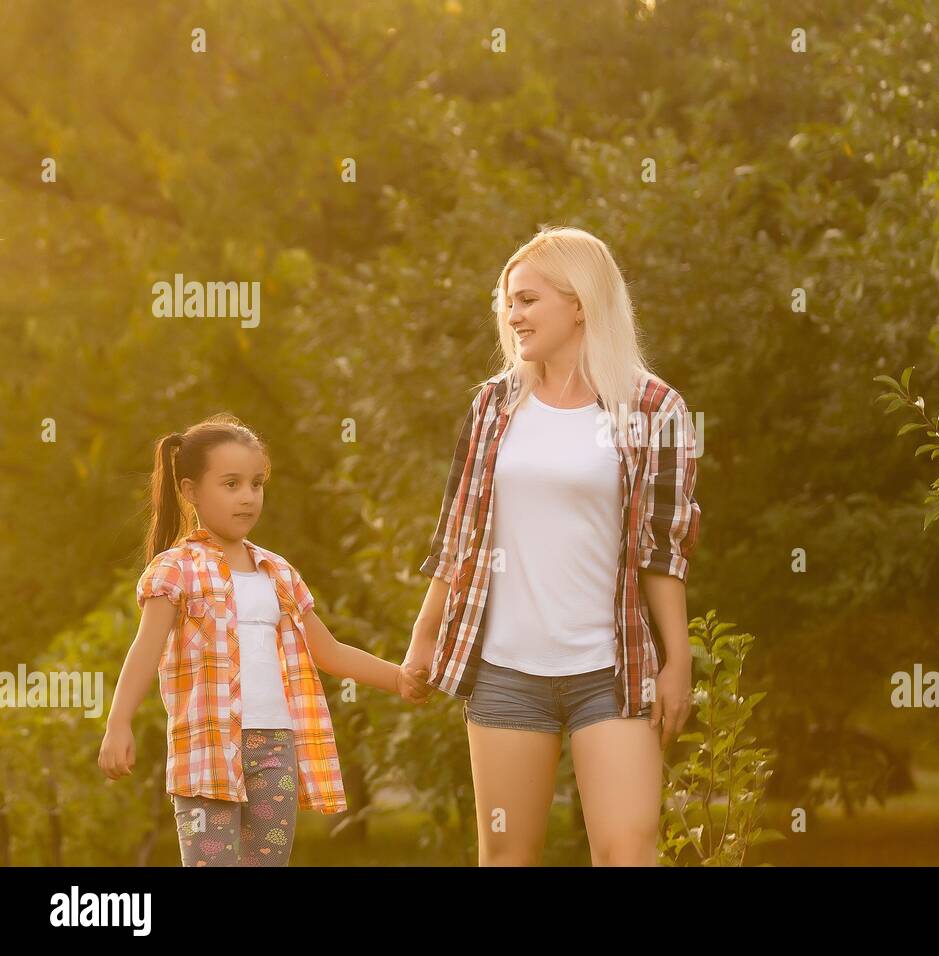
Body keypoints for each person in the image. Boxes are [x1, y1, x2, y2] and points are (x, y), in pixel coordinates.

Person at [404, 226, 702, 866]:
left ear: (580, 304)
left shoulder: (653, 409)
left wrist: (677, 660)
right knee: (507, 857)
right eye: (508, 302)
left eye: (528, 300)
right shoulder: (494, 406)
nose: (513, 316)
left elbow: (664, 549)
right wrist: (426, 632)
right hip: (507, 671)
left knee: (628, 854)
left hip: (611, 670)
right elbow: (458, 530)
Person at [98, 413, 431, 866]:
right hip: (206, 751)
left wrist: (399, 679)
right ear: (191, 491)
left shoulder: (279, 573)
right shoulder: (176, 569)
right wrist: (119, 723)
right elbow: (145, 651)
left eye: (256, 484)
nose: (248, 497)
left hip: (276, 749)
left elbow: (328, 651)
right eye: (231, 484)